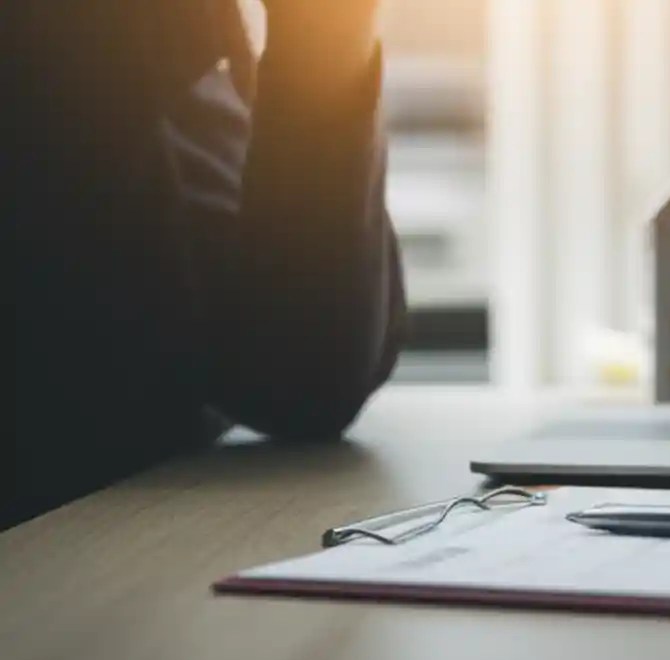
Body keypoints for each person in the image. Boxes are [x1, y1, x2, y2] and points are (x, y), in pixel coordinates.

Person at [7, 1, 405, 529]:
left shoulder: (179, 41)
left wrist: (326, 40)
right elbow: (283, 373)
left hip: (132, 543)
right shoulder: (75, 42)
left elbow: (311, 375)